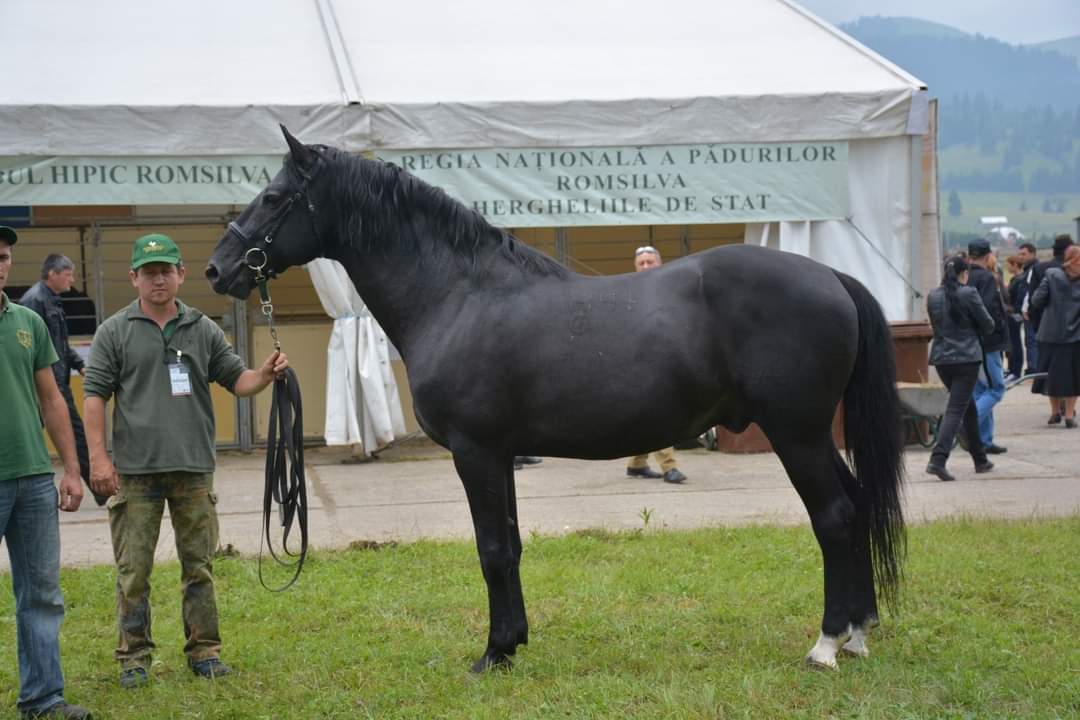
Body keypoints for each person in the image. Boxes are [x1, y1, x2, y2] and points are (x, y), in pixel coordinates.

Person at [83, 234, 289, 689]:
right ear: (133, 277)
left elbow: (238, 380)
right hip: (135, 473)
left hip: (194, 469)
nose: (158, 278)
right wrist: (98, 459)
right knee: (133, 571)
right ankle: (134, 657)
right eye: (149, 271)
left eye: (165, 269)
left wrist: (267, 374)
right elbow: (94, 395)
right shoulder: (114, 331)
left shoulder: (203, 329)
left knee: (199, 567)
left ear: (180, 274)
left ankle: (205, 652)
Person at [0, 226, 93, 720]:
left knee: (41, 595)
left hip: (33, 478)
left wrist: (71, 469)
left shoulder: (26, 321)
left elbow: (52, 399)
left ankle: (42, 699)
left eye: (4, 256)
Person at [19, 254, 106, 507]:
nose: (72, 279)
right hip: (46, 383)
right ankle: (101, 489)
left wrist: (80, 366)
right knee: (73, 434)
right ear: (52, 274)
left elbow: (59, 345)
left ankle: (99, 489)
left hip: (56, 380)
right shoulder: (35, 301)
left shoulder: (51, 300)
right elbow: (34, 347)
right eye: (68, 273)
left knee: (60, 434)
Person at [924, 255, 996, 481]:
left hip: (942, 360)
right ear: (965, 274)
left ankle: (980, 459)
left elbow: (938, 326)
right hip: (966, 359)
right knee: (956, 408)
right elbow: (988, 325)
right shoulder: (969, 293)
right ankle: (938, 459)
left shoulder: (933, 295)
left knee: (968, 407)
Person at [623, 246, 688, 484]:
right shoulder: (628, 291)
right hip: (638, 361)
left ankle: (637, 463)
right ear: (635, 266)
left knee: (646, 414)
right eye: (642, 263)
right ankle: (669, 467)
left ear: (660, 264)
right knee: (661, 413)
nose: (646, 266)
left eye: (651, 262)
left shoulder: (671, 289)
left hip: (663, 358)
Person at [1029, 244, 1080, 428]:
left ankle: (1054, 412)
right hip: (1075, 335)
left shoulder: (1051, 274)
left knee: (1051, 373)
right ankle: (1068, 415)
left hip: (1050, 334)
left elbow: (1036, 300)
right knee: (1073, 375)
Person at [966, 240, 1008, 454]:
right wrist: (1000, 331)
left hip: (969, 342)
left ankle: (984, 440)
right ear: (987, 255)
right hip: (988, 342)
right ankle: (965, 427)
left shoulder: (964, 278)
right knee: (996, 389)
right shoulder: (986, 279)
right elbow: (990, 310)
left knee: (981, 389)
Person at [1015, 242, 1040, 374]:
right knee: (1029, 339)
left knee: (1031, 340)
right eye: (1019, 254)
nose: (1021, 257)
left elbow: (1029, 291)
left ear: (1032, 253)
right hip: (1028, 311)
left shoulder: (1034, 269)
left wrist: (1025, 309)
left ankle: (1034, 368)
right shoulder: (1028, 268)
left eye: (1024, 254)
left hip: (1029, 312)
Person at [1003, 254, 1026, 381]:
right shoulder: (1015, 279)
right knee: (1012, 343)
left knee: (1015, 343)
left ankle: (1016, 370)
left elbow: (1018, 298)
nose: (1007, 267)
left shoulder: (1019, 280)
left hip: (1014, 315)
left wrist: (1012, 310)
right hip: (1011, 314)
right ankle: (1012, 369)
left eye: (1009, 264)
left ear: (1015, 265)